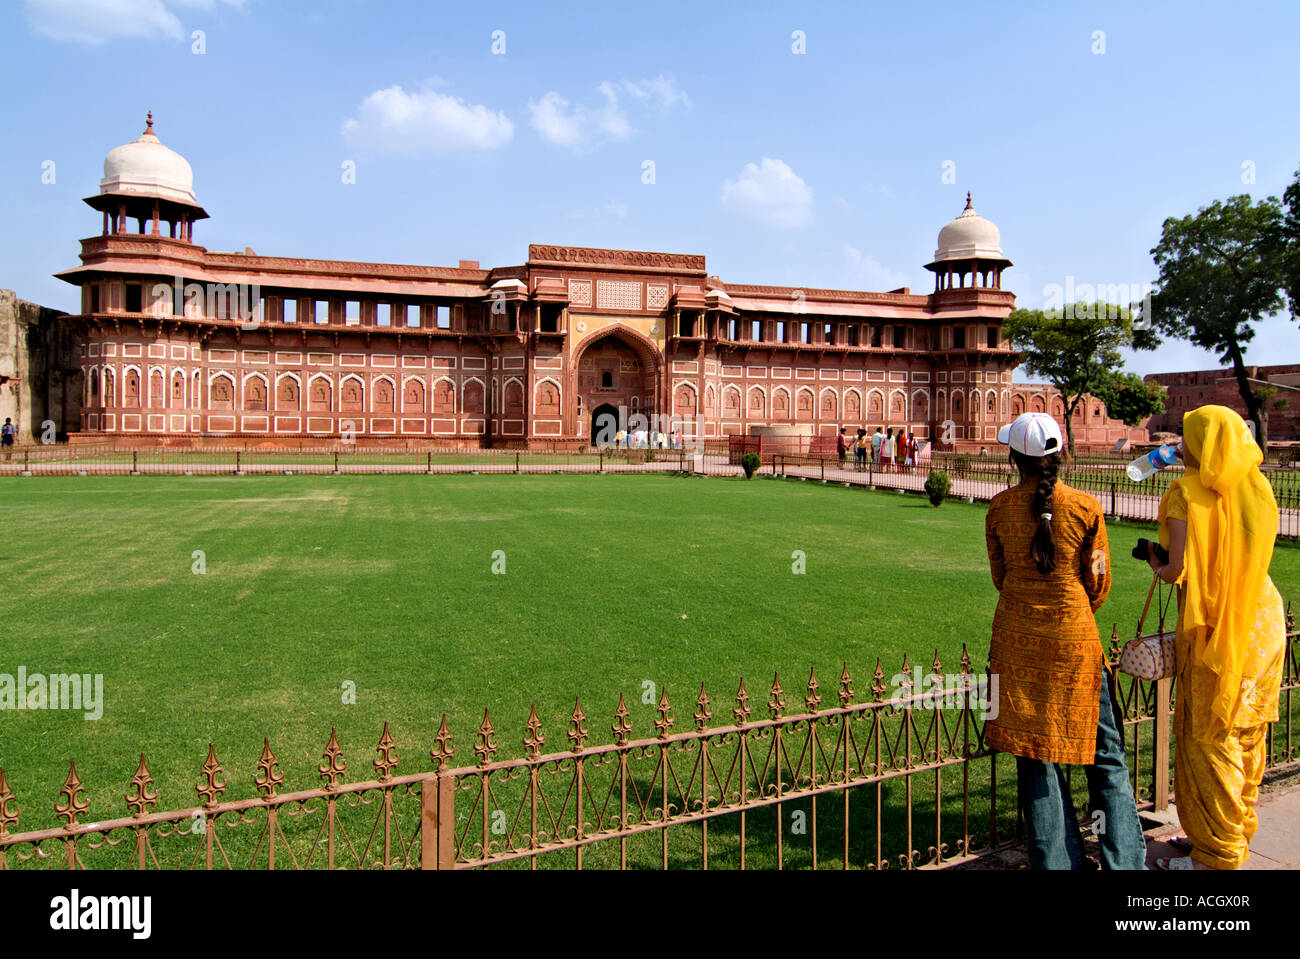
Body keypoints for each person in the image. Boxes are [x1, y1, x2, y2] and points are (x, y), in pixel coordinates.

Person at [984, 412, 1146, 870]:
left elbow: (1002, 577)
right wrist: (1069, 612)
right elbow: (1098, 581)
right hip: (1075, 646)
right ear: (1063, 454)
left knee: (1035, 758)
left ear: (1014, 457)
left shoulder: (999, 508)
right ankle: (1124, 865)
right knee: (1105, 758)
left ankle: (1057, 864)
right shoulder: (1085, 508)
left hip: (1017, 646)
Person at [1149, 406, 1285, 871]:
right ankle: (1224, 834)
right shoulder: (1257, 488)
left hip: (1214, 624)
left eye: (1187, 437)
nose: (1181, 445)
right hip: (1261, 617)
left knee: (1209, 738)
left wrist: (1155, 563)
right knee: (1245, 732)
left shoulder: (1185, 493)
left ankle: (1216, 858)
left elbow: (1178, 569)